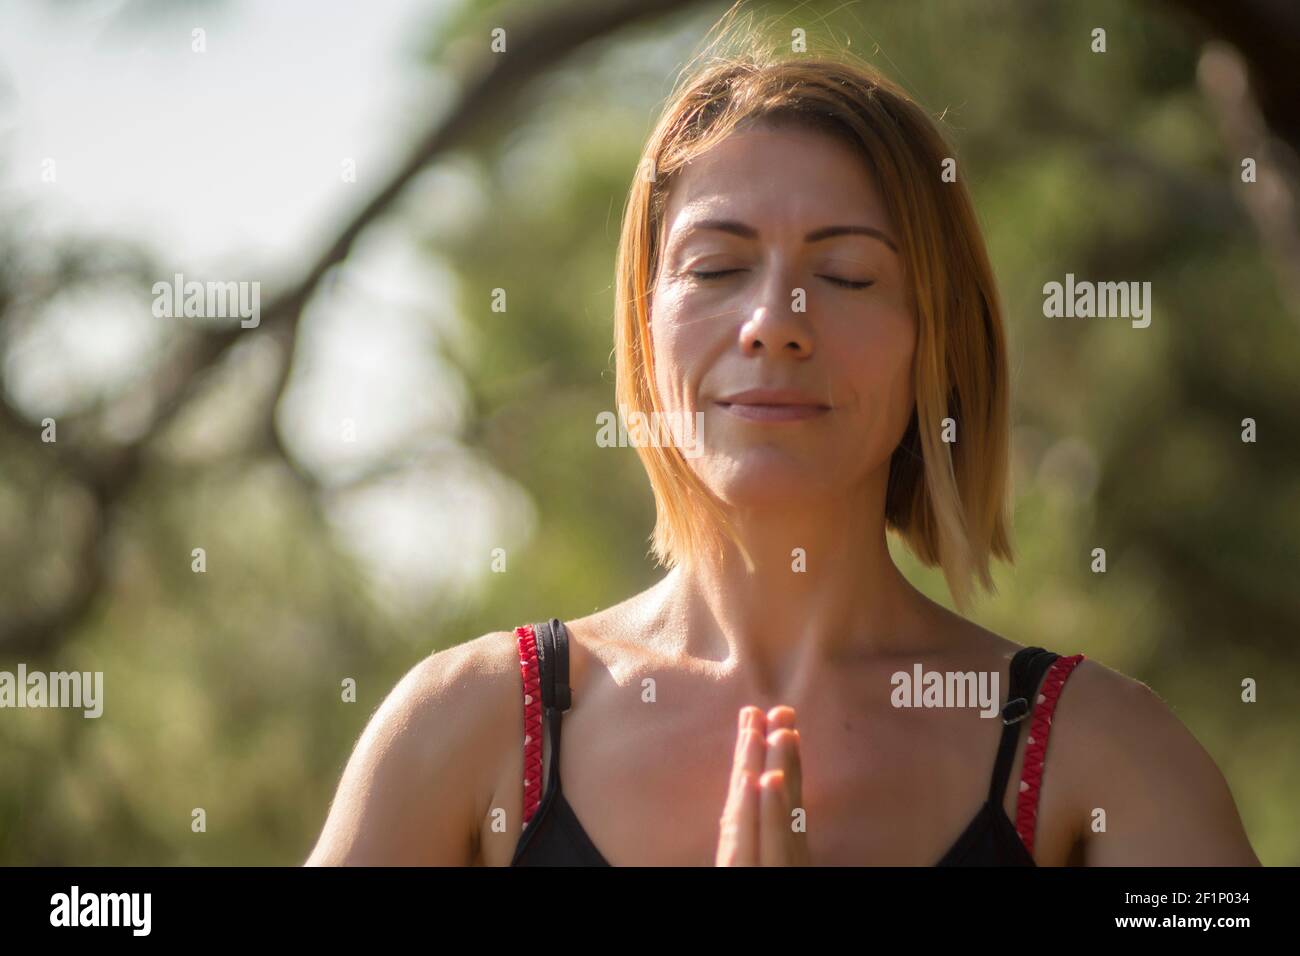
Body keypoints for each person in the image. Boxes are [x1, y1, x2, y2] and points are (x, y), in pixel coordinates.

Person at [305, 44, 1260, 867]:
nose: (773, 324)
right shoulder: (462, 728)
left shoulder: (1109, 758)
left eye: (845, 275)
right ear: (645, 332)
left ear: (940, 338)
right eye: (716, 268)